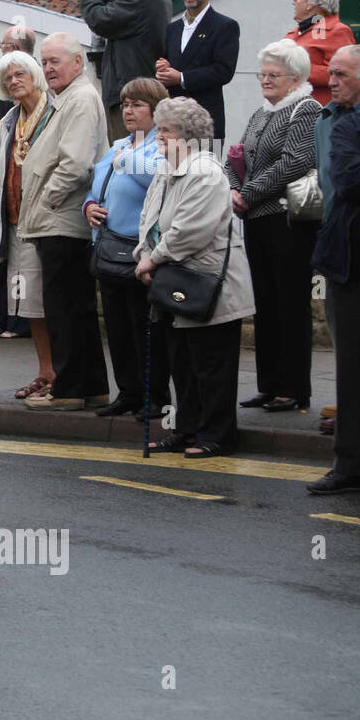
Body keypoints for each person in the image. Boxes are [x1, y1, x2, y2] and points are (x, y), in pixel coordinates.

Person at [138, 98, 254, 458]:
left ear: (187, 137)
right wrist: (144, 254)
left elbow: (191, 231)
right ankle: (186, 430)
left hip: (207, 285)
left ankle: (216, 435)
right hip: (176, 282)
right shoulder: (166, 170)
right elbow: (150, 219)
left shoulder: (204, 172)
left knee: (211, 368)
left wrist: (152, 260)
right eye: (159, 129)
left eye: (166, 130)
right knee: (183, 367)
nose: (158, 136)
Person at [19, 33, 110, 411]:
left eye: (56, 61)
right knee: (75, 307)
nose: (48, 68)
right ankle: (90, 387)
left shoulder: (81, 99)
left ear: (78, 62)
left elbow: (74, 164)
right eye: (44, 61)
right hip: (57, 218)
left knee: (65, 309)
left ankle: (70, 389)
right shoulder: (68, 99)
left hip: (61, 219)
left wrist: (46, 200)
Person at [230, 39, 321, 413]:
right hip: (256, 218)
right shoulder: (260, 113)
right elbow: (236, 156)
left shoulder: (306, 109)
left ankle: (294, 388)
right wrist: (234, 189)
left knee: (290, 303)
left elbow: (294, 163)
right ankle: (268, 384)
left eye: (273, 74)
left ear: (296, 78)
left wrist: (248, 193)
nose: (264, 80)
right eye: (262, 73)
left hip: (287, 221)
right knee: (264, 302)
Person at [83, 77, 170, 419]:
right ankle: (129, 392)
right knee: (117, 329)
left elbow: (158, 176)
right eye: (125, 104)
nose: (129, 111)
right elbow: (96, 185)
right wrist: (89, 205)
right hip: (108, 246)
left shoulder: (160, 145)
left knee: (144, 328)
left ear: (156, 109)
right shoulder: (118, 144)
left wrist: (126, 160)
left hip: (141, 250)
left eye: (137, 105)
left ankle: (155, 395)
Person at [308, 44, 360, 495]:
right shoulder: (342, 123)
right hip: (352, 261)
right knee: (354, 366)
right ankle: (351, 464)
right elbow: (348, 181)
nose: (332, 81)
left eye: (342, 74)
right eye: (332, 72)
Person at [0, 51, 56, 398]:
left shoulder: (55, 112)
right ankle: (45, 370)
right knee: (27, 304)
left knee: (53, 302)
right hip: (15, 224)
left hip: (49, 222)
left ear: (35, 75)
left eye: (19, 74)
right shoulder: (11, 118)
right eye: (7, 78)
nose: (13, 81)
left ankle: (58, 373)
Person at [73, 0, 173, 143]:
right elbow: (119, 11)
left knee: (127, 159)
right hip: (137, 93)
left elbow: (100, 20)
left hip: (130, 96)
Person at [156, 0, 239, 139]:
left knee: (203, 165)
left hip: (206, 122)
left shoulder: (224, 26)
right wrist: (161, 67)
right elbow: (165, 59)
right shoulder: (173, 28)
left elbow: (223, 71)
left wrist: (182, 77)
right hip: (173, 121)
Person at [285, 0, 357, 107]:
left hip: (319, 110)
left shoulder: (337, 31)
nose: (294, 2)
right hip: (287, 108)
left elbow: (345, 73)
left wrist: (296, 70)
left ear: (310, 4)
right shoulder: (294, 33)